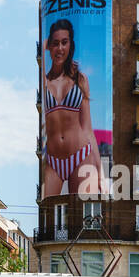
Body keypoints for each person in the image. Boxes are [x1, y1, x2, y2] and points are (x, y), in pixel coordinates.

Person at [40, 18, 105, 197]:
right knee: (48, 210)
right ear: (49, 47)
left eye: (64, 42)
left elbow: (88, 129)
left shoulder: (80, 79)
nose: (60, 48)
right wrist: (46, 43)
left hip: (81, 155)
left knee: (83, 213)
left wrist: (100, 173)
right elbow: (42, 59)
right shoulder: (44, 80)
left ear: (71, 45)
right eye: (55, 43)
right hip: (53, 161)